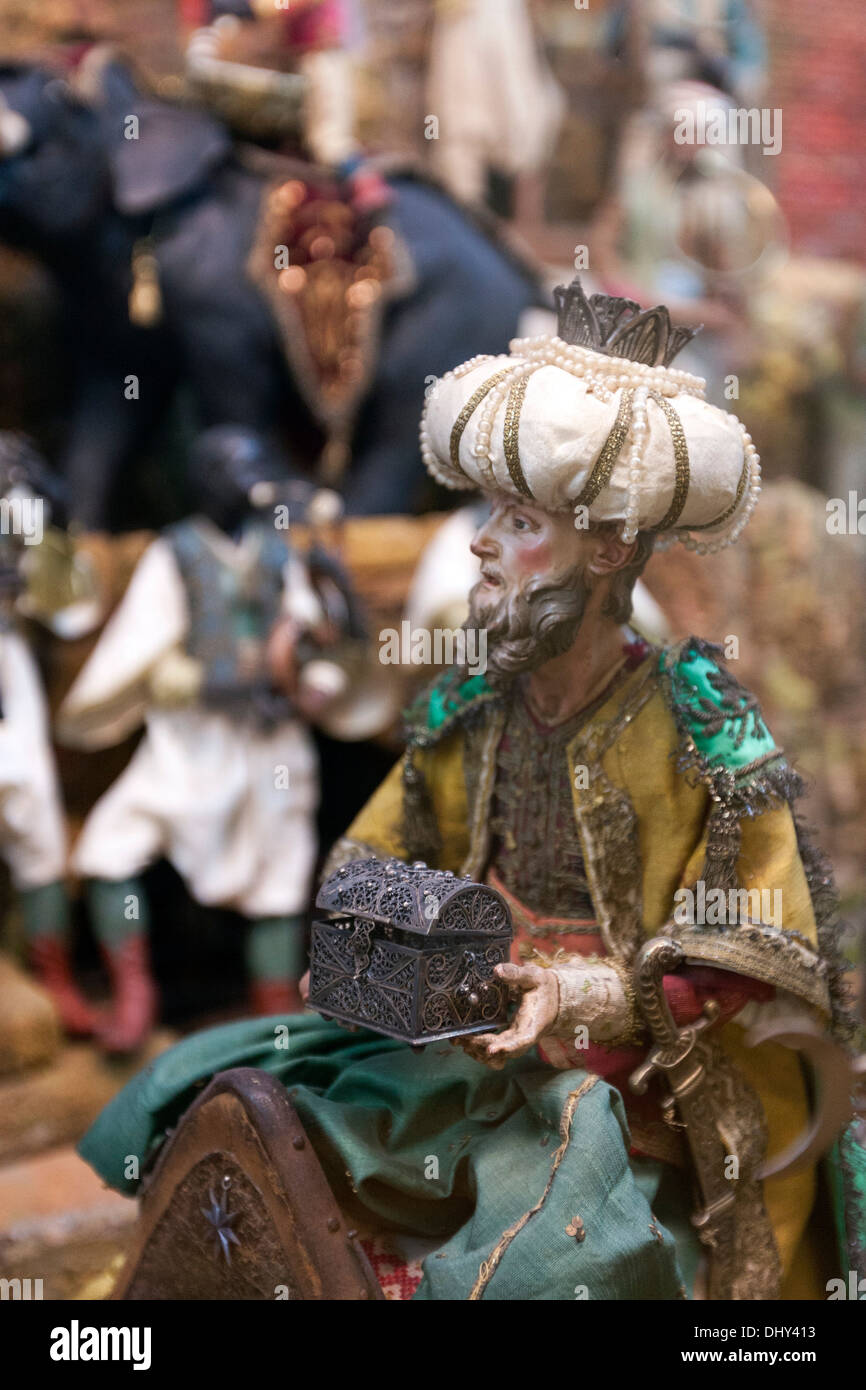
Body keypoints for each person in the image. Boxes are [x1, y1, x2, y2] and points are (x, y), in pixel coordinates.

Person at [79, 281, 848, 1298]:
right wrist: (361, 958)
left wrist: (575, 994)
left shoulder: (698, 725)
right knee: (207, 1093)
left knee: (534, 1260)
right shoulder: (472, 703)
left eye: (518, 519)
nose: (481, 541)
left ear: (608, 548)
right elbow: (375, 851)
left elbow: (755, 949)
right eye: (490, 511)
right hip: (450, 1037)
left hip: (628, 1085)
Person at [58, 427, 336, 1052]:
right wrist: (174, 677)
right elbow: (142, 644)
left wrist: (313, 675)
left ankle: (275, 1020)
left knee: (278, 879)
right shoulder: (176, 551)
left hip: (269, 744)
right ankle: (133, 993)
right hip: (192, 744)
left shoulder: (277, 549)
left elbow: (306, 630)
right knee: (109, 846)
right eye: (226, 469)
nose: (240, 483)